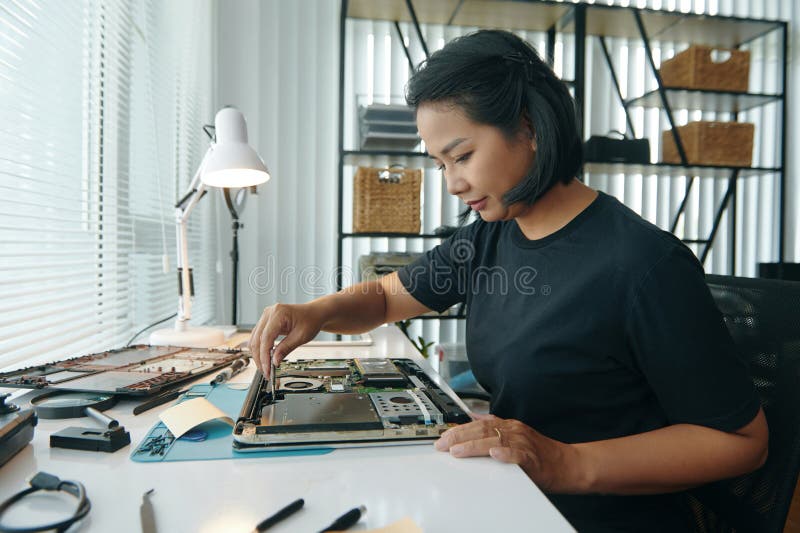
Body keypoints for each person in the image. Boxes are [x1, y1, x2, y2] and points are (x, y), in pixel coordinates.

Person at [249, 30, 768, 532]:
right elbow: (385, 297)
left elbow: (741, 440)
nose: (452, 182)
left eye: (462, 155)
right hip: (513, 497)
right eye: (440, 163)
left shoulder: (645, 265)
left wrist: (565, 463)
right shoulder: (489, 237)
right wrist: (314, 312)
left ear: (528, 127)